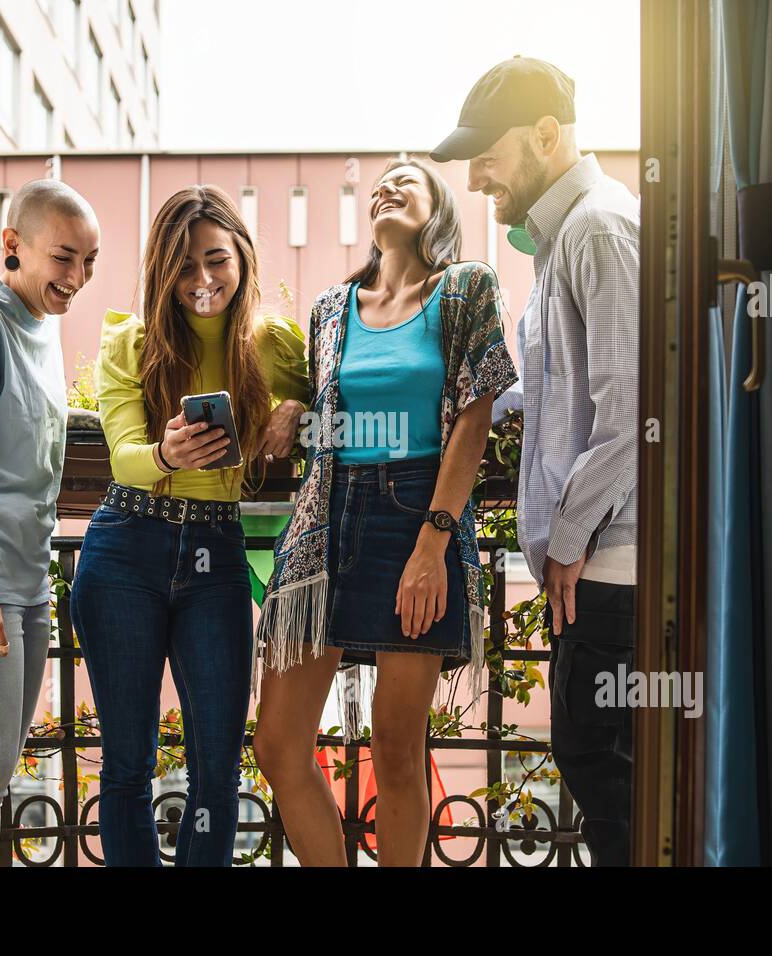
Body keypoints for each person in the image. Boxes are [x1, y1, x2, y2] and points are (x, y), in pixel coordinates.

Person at [252, 158, 519, 866]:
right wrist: (296, 407)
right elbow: (339, 409)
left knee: (398, 747)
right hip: (325, 521)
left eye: (408, 180)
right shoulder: (330, 310)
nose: (387, 189)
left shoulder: (465, 287)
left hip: (416, 515)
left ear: (438, 207)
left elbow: (473, 415)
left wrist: (432, 543)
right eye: (378, 185)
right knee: (278, 744)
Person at [432, 56, 641, 867]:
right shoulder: (563, 240)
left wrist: (570, 533)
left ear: (548, 134)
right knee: (599, 771)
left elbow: (636, 405)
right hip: (590, 567)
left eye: (488, 152)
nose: (477, 175)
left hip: (609, 568)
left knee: (607, 774)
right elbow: (571, 398)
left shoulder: (597, 227)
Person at [69, 185, 308, 867]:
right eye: (184, 266)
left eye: (216, 260)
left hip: (217, 553)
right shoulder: (131, 341)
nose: (202, 281)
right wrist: (165, 454)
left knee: (217, 767)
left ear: (242, 257)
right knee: (127, 766)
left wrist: (294, 404)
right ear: (162, 271)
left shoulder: (276, 342)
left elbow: (338, 393)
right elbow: (122, 459)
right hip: (125, 549)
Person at [0, 179, 101, 866]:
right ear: (12, 245)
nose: (78, 278)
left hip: (29, 584)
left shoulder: (41, 326)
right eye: (64, 258)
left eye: (90, 261)